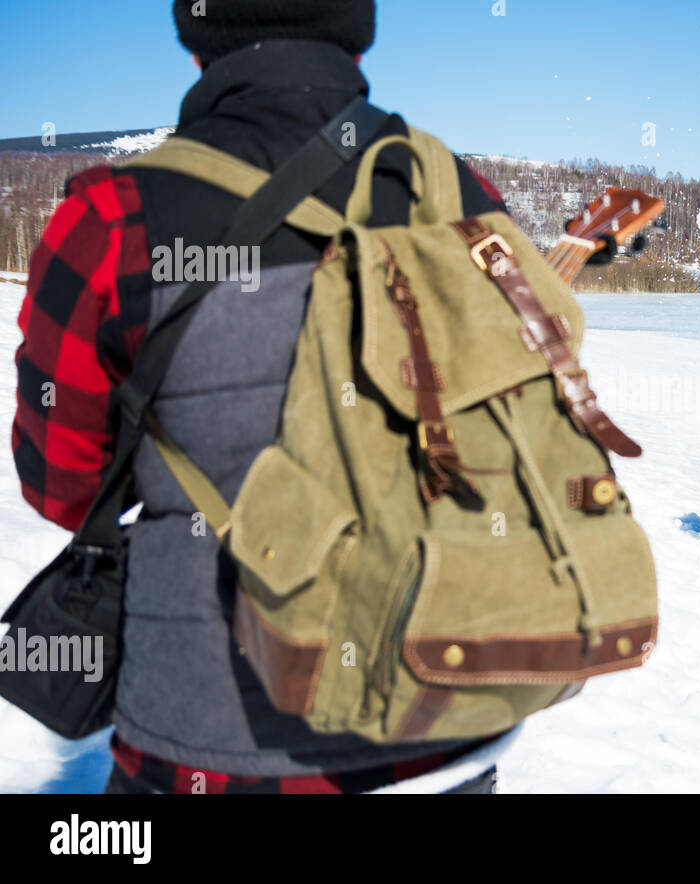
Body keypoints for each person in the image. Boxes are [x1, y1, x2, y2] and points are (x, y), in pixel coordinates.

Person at [12, 0, 518, 794]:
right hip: (441, 735)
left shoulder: (111, 216)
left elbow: (62, 486)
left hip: (202, 740)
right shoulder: (460, 194)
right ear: (358, 36)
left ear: (195, 48)